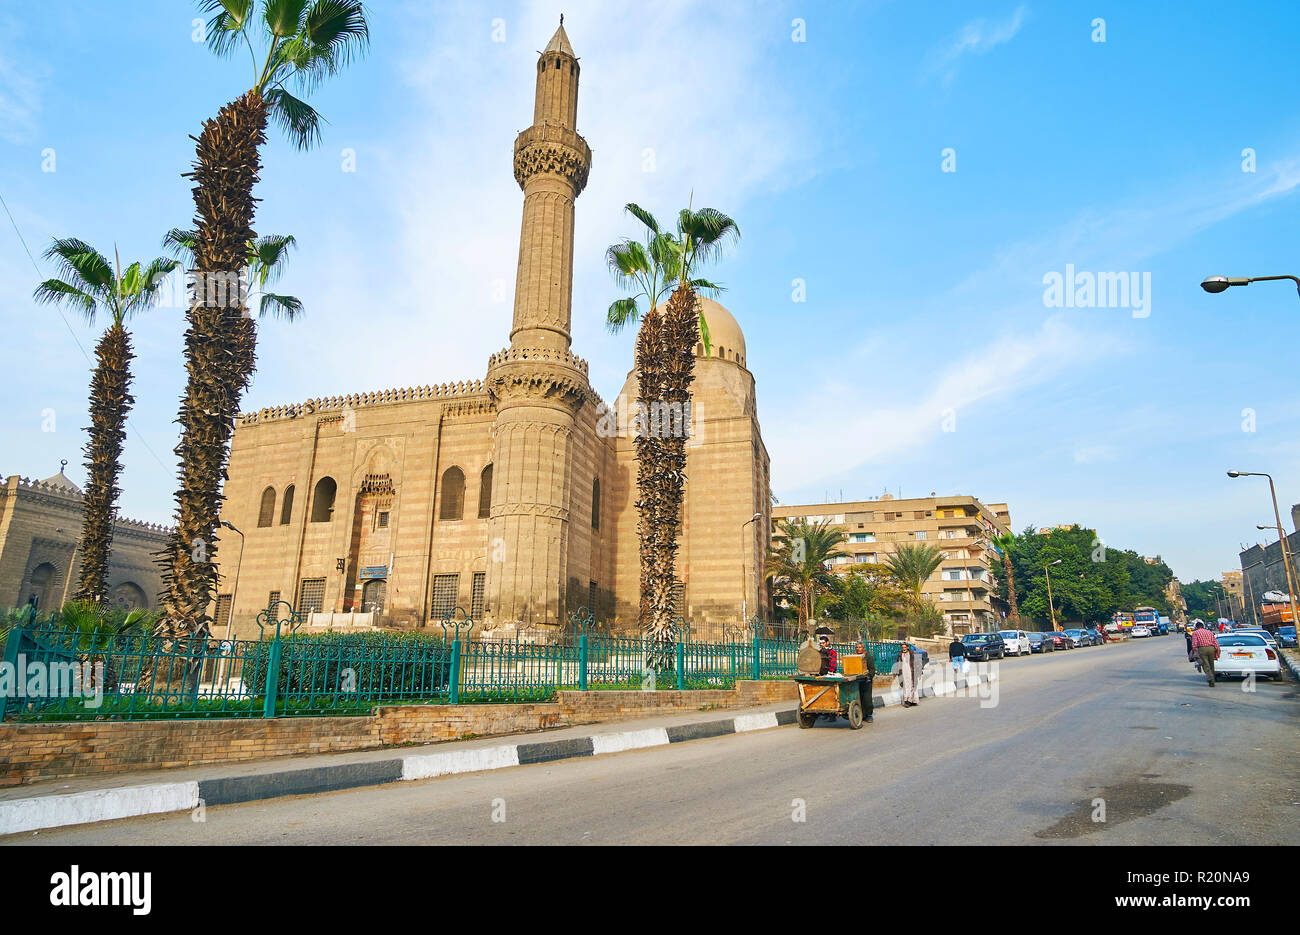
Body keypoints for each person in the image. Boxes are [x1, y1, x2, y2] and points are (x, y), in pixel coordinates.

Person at [1191, 621, 1220, 686]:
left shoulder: (1195, 633)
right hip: (1211, 649)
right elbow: (1215, 641)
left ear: (1196, 627)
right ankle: (1213, 677)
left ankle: (1210, 679)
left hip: (1202, 649)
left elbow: (1194, 644)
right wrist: (1217, 650)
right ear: (1203, 626)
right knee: (1211, 664)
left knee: (1205, 664)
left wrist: (1194, 651)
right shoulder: (1209, 632)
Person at [898, 642, 920, 706]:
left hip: (911, 671)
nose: (904, 649)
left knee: (911, 685)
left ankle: (912, 700)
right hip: (903, 671)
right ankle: (906, 700)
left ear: (907, 647)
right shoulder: (900, 654)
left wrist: (919, 672)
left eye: (905, 647)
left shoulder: (911, 653)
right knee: (905, 685)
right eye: (902, 647)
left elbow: (917, 663)